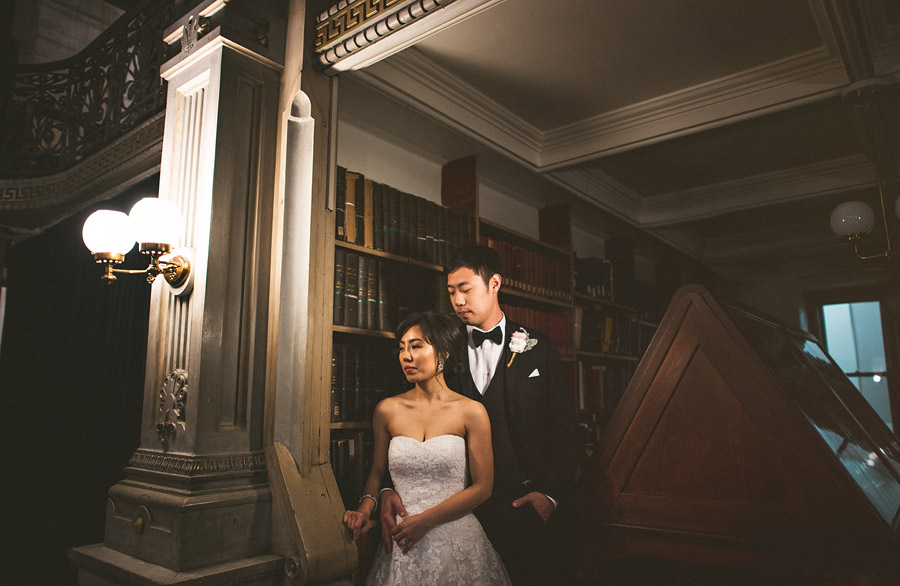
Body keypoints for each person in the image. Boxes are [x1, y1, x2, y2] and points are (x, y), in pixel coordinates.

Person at [380, 244, 578, 586]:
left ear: (494, 284)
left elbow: (564, 430)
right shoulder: (439, 349)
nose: (457, 301)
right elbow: (404, 424)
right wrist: (385, 488)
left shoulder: (540, 349)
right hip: (454, 517)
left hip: (523, 510)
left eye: (465, 290)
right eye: (451, 292)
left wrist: (550, 495)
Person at [343, 311, 511, 586]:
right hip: (402, 542)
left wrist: (425, 521)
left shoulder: (472, 412)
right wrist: (364, 509)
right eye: (402, 348)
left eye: (416, 346)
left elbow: (483, 487)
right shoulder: (387, 410)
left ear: (443, 352)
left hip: (457, 540)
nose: (406, 356)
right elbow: (376, 472)